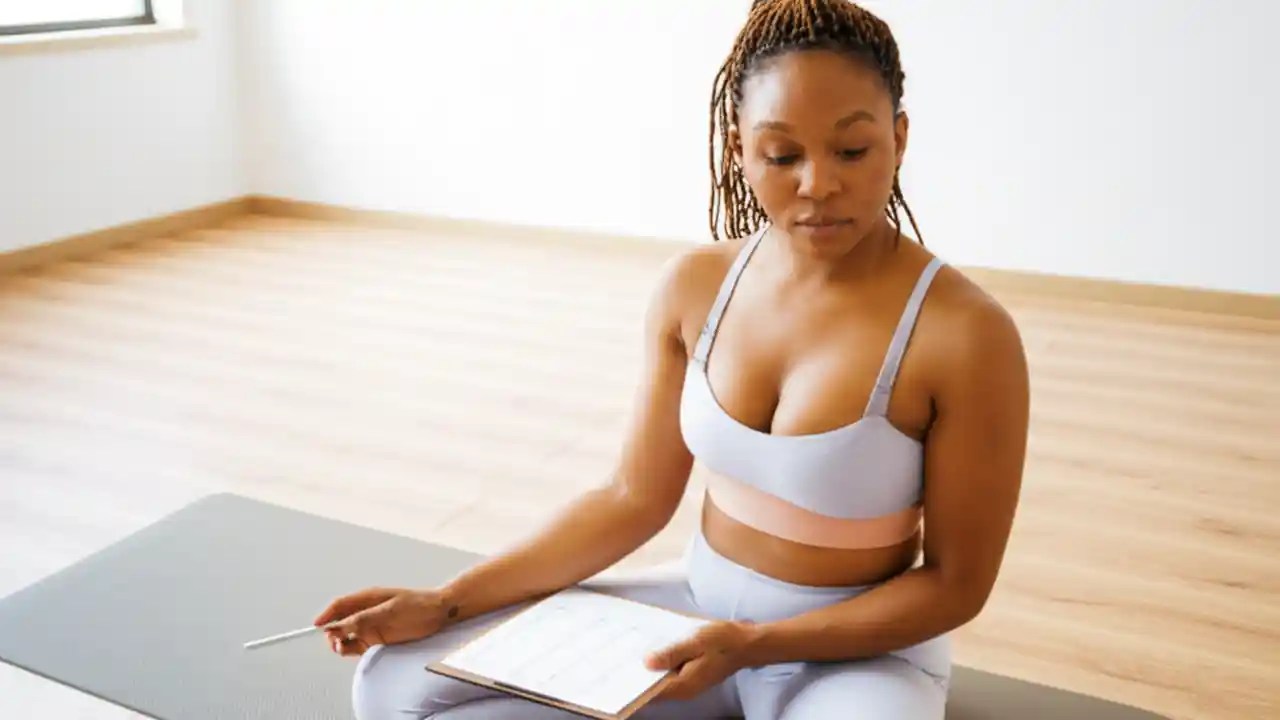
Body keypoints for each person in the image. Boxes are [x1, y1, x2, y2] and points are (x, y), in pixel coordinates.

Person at [315, 1, 1029, 717]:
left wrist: (754, 644)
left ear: (899, 139)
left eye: (852, 150)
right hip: (694, 616)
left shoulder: (966, 335)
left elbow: (955, 584)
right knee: (392, 681)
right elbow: (632, 497)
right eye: (782, 155)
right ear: (738, 148)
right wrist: (444, 603)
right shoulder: (696, 287)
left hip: (857, 657)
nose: (817, 184)